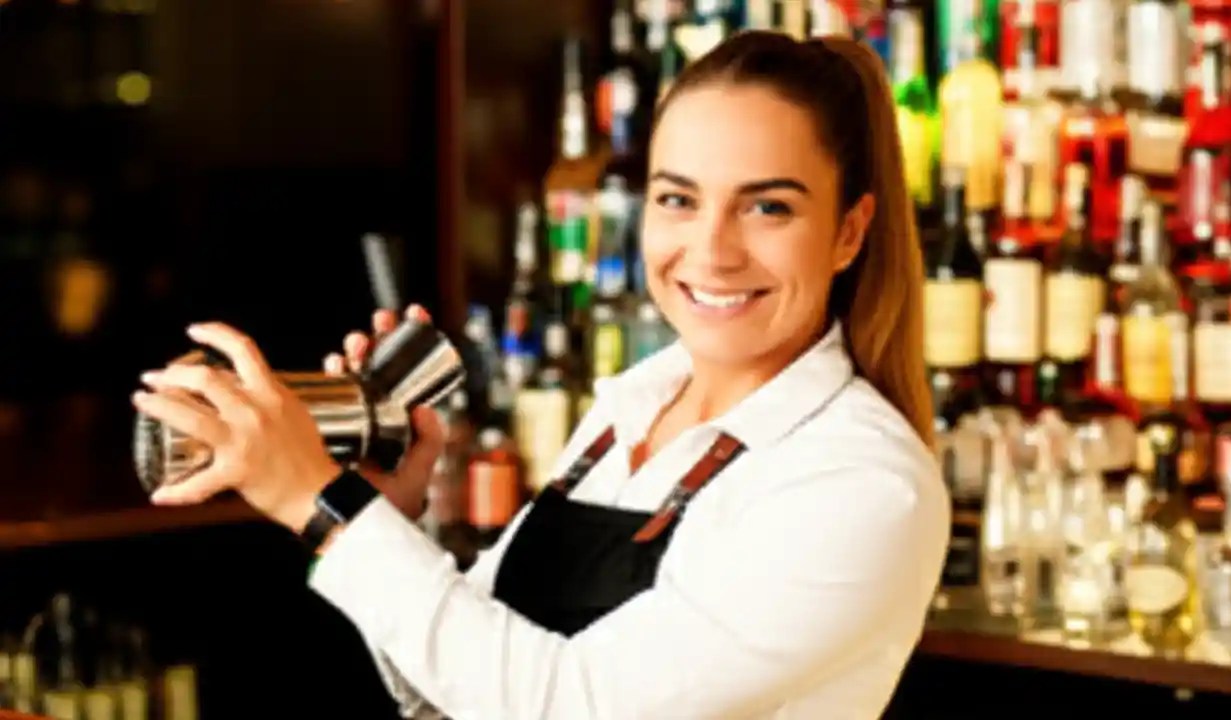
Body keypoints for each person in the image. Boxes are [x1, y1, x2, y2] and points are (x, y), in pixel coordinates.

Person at [132, 31, 949, 719]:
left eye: (767, 206)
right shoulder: (632, 411)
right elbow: (451, 691)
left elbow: (567, 706)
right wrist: (390, 514)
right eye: (677, 200)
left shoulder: (859, 480)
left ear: (849, 232)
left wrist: (326, 507)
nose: (711, 250)